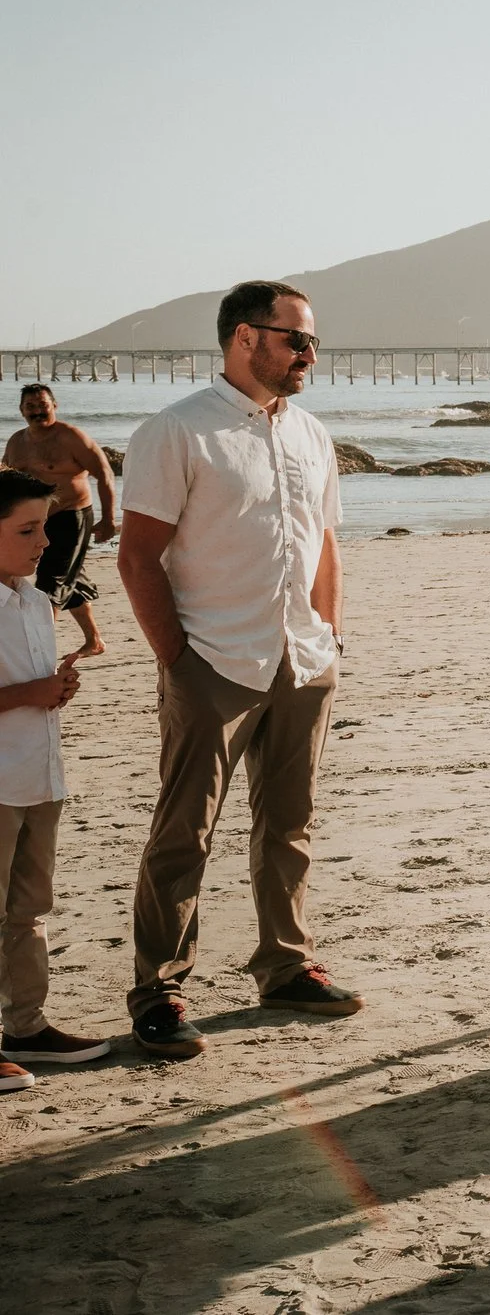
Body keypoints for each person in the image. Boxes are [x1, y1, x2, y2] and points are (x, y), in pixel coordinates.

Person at [117, 281, 359, 1060]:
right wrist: (177, 662)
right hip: (214, 660)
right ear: (244, 338)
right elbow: (137, 556)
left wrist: (330, 638)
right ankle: (159, 989)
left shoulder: (313, 435)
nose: (309, 356)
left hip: (302, 657)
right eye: (296, 340)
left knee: (289, 824)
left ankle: (284, 965)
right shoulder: (178, 432)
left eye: (313, 342)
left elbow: (325, 546)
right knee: (184, 831)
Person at [0, 468, 109, 1092]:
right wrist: (30, 692)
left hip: (40, 778)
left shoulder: (39, 601)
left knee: (29, 911)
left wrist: (53, 691)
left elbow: (33, 692)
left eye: (45, 526)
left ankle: (26, 1027)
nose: (45, 542)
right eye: (27, 529)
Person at [5, 385, 117, 660]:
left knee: (50, 582)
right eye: (30, 406)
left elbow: (104, 474)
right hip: (36, 520)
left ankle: (36, 653)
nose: (37, 411)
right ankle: (94, 640)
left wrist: (108, 519)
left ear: (54, 405)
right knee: (70, 576)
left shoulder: (71, 437)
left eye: (42, 404)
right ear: (21, 411)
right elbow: (5, 482)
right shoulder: (17, 442)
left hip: (72, 515)